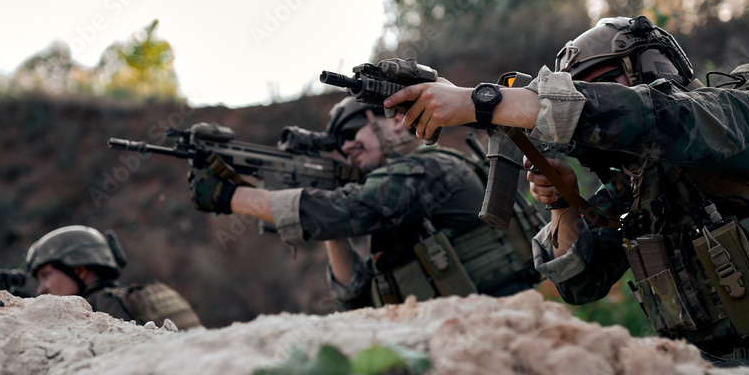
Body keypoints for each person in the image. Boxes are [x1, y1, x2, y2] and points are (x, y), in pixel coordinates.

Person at [385, 15, 749, 375]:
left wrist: (482, 102)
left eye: (597, 83)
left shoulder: (729, 118)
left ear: (652, 66)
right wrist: (563, 204)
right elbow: (581, 283)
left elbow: (648, 114)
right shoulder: (640, 184)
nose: (586, 97)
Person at [187, 96, 539, 310]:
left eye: (354, 131)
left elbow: (350, 210)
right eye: (339, 142)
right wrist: (327, 210)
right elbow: (355, 297)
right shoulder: (397, 197)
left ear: (397, 125)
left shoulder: (428, 167)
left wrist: (231, 197)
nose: (347, 147)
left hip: (495, 326)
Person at [0, 226, 202, 331]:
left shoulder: (103, 307)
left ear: (79, 270)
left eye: (46, 275)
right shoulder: (123, 299)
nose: (41, 288)